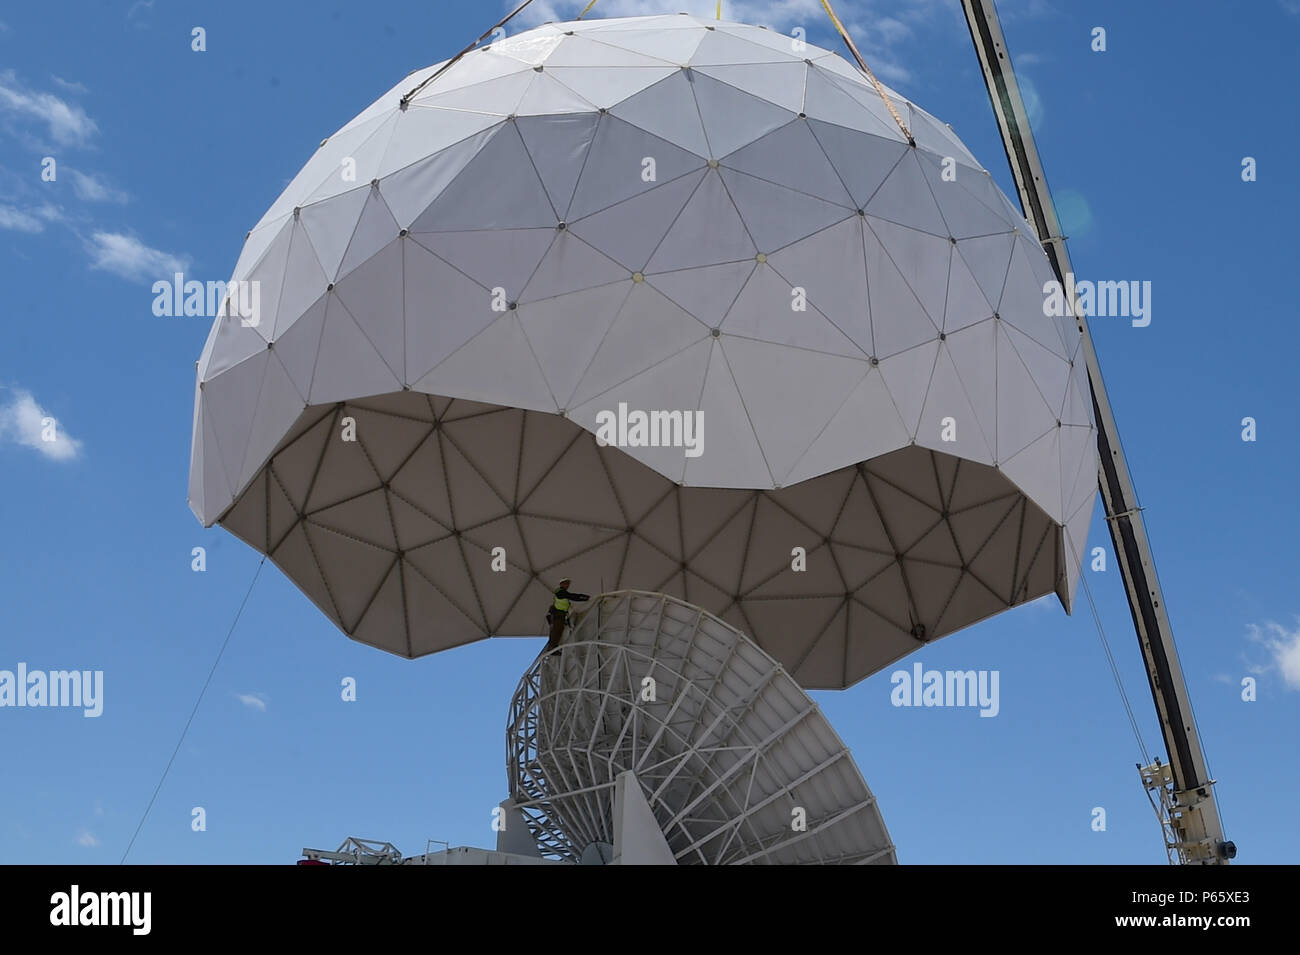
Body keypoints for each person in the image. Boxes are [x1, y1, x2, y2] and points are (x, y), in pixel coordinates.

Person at [544, 578, 589, 653]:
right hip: (556, 615)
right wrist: (584, 598)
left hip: (560, 615)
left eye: (568, 584)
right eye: (565, 583)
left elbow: (570, 597)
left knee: (558, 630)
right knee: (556, 631)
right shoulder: (560, 592)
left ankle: (553, 647)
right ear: (561, 584)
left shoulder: (563, 594)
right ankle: (552, 648)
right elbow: (572, 596)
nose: (567, 585)